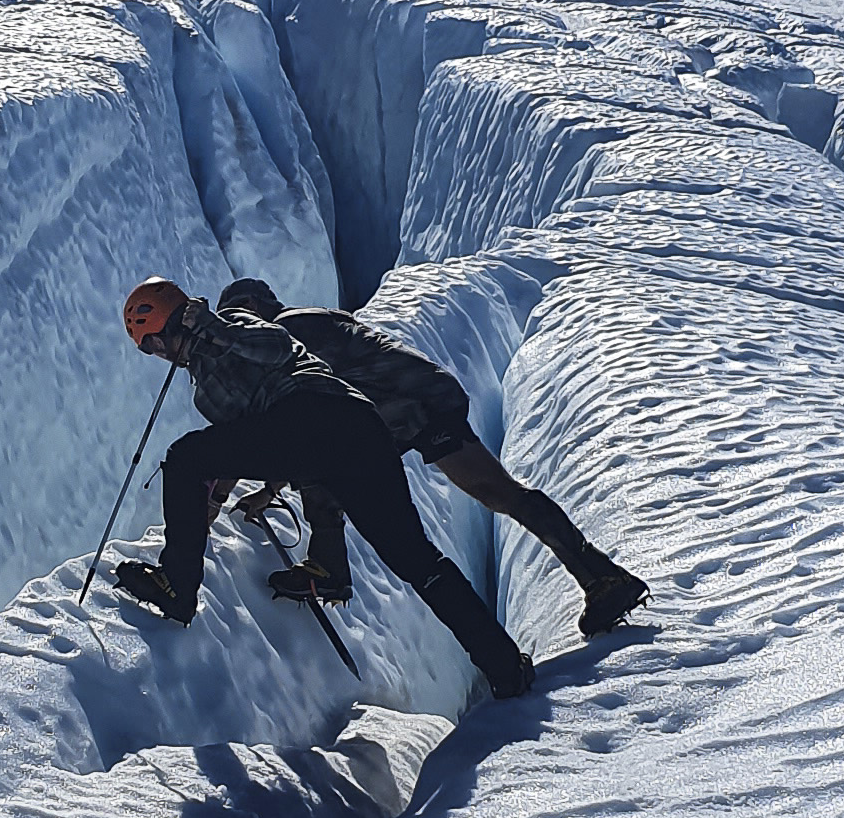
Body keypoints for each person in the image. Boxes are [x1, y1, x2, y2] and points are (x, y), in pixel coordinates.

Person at [106, 278, 538, 698]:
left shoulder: (232, 323)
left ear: (177, 319)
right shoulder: (206, 383)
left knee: (184, 458)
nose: (162, 355)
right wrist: (219, 495)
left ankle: (176, 586)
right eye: (152, 350)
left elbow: (274, 347)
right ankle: (503, 664)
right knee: (417, 560)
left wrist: (212, 327)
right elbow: (245, 439)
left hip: (318, 416)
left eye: (158, 341)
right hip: (357, 435)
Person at [214, 276, 647, 639]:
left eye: (237, 316)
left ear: (252, 307)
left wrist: (260, 481)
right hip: (425, 399)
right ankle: (601, 576)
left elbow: (302, 412)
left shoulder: (291, 329)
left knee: (324, 457)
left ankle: (327, 567)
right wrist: (270, 488)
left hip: (408, 406)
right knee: (499, 493)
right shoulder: (308, 321)